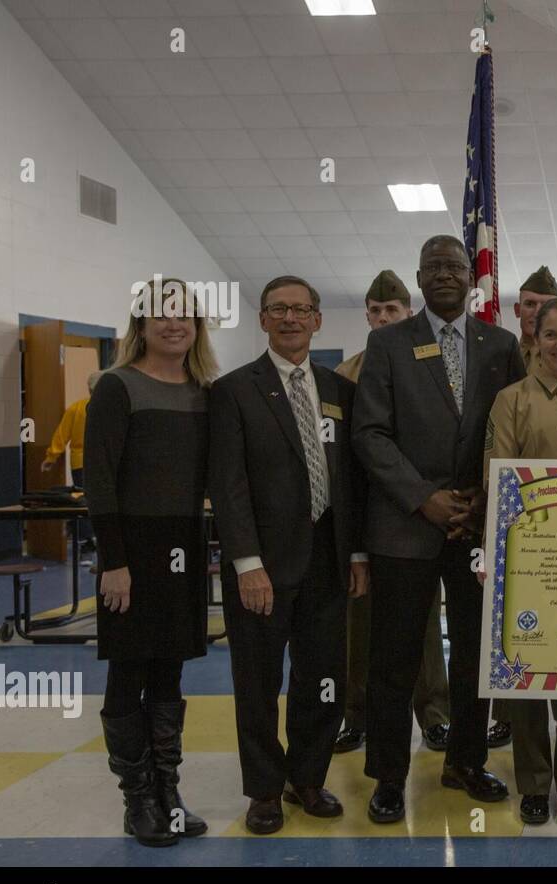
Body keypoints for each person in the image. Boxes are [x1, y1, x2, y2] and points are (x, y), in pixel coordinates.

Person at [353, 235, 525, 821]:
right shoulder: (387, 344)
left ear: (470, 278)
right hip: (406, 527)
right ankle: (389, 777)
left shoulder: (502, 345)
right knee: (395, 658)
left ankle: (467, 762)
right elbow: (369, 434)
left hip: (478, 528)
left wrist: (484, 496)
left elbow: (516, 427)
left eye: (456, 265)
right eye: (435, 267)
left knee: (478, 655)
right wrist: (422, 496)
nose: (446, 274)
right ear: (420, 277)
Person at [209, 276, 368, 834]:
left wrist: (357, 552)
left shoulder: (338, 392)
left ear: (318, 320)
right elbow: (228, 487)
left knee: (323, 677)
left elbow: (348, 479)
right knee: (257, 682)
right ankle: (264, 791)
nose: (291, 319)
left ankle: (307, 778)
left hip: (328, 560)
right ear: (263, 319)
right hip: (264, 570)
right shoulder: (232, 391)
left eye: (302, 310)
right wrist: (247, 565)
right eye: (280, 309)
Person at [85, 277, 217, 848]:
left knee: (169, 672)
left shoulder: (204, 391)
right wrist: (113, 562)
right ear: (140, 324)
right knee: (128, 671)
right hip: (130, 553)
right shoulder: (115, 387)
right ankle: (136, 800)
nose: (174, 325)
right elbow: (100, 481)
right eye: (161, 315)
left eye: (184, 316)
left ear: (197, 326)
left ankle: (169, 792)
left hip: (183, 547)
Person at [482, 297, 557, 826]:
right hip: (529, 557)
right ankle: (533, 782)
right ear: (535, 336)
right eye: (551, 334)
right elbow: (496, 479)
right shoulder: (511, 400)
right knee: (527, 671)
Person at [334, 270, 451, 755]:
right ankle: (356, 716)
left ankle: (436, 715)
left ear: (408, 313)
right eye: (376, 310)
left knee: (420, 623)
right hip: (361, 514)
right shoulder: (343, 376)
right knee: (358, 624)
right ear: (366, 314)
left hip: (411, 512)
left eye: (393, 311)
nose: (383, 318)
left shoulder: (423, 366)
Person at [43, 370, 102, 553]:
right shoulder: (111, 408)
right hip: (105, 462)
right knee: (103, 501)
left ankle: (86, 542)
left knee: (82, 501)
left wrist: (51, 457)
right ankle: (102, 540)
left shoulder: (76, 408)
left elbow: (62, 435)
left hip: (80, 463)